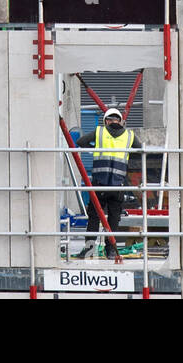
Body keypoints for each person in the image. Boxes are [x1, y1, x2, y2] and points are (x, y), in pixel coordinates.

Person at [74, 107, 139, 259]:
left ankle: (89, 251)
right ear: (120, 121)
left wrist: (94, 148)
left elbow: (80, 141)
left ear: (106, 121)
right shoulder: (129, 135)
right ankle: (111, 251)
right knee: (114, 218)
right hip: (118, 185)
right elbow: (140, 150)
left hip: (99, 183)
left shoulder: (99, 132)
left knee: (94, 217)